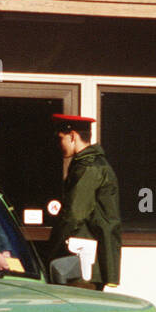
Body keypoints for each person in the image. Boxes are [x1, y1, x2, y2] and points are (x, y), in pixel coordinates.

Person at [44, 114, 121, 290]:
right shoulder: (90, 164)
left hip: (82, 264)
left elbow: (75, 215)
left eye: (61, 138)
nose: (59, 144)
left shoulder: (88, 167)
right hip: (86, 262)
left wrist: (51, 251)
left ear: (72, 136)